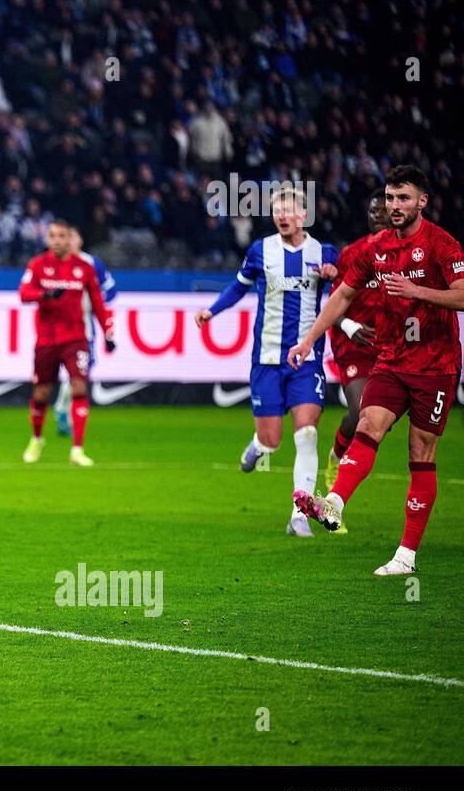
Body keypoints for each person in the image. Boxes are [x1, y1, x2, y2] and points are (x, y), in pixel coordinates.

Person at [290, 166, 464, 574]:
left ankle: (406, 556)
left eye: (403, 198)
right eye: (390, 198)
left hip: (435, 367)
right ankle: (334, 502)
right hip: (392, 359)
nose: (394, 206)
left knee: (420, 453)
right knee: (367, 422)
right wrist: (309, 339)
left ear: (422, 200)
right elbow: (342, 295)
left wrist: (417, 290)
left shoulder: (441, 244)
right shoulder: (376, 248)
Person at [194, 188, 339, 536]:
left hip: (305, 358)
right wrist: (211, 311)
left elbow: (343, 297)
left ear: (304, 215)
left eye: (288, 209)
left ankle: (299, 515)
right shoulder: (261, 250)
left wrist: (336, 280)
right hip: (267, 359)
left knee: (306, 433)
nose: (282, 215)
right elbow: (238, 287)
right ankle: (259, 446)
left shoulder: (325, 253)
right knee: (273, 439)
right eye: (276, 210)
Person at [321, 193, 392, 533]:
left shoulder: (405, 253)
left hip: (389, 346)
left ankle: (340, 454)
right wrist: (349, 326)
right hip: (353, 343)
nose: (378, 215)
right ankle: (335, 461)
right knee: (364, 408)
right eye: (373, 210)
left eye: (384, 210)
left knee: (376, 418)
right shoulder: (354, 253)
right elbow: (335, 303)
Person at [19, 221, 115, 466]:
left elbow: (97, 303)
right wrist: (45, 294)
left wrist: (107, 332)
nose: (57, 240)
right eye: (53, 236)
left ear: (69, 239)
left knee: (79, 388)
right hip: (47, 340)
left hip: (76, 339)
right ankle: (37, 439)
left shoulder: (84, 268)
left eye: (62, 236)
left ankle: (77, 449)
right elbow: (24, 294)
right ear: (48, 239)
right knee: (41, 393)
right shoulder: (38, 265)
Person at [54, 227, 118, 436]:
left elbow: (111, 290)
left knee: (82, 370)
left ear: (80, 240)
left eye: (73, 237)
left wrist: (95, 301)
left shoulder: (91, 263)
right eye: (66, 237)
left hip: (84, 327)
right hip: (58, 326)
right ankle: (63, 409)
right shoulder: (55, 263)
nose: (69, 241)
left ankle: (64, 410)